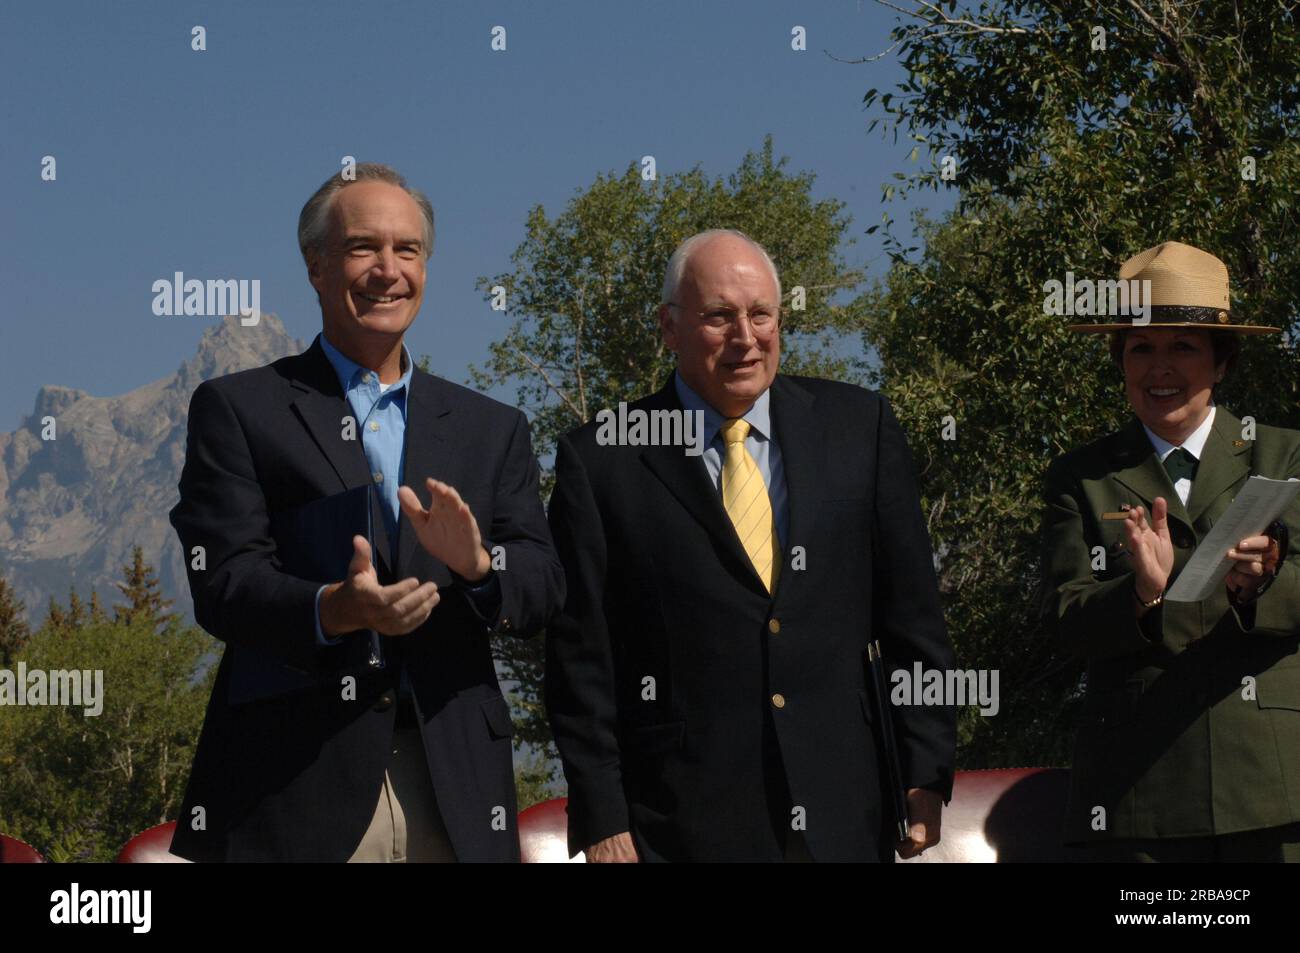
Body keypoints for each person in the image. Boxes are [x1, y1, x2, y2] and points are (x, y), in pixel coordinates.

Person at [168, 163, 563, 861]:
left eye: (407, 250)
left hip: (456, 789)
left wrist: (479, 566)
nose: (388, 269)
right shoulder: (240, 409)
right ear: (316, 266)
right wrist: (334, 607)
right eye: (363, 248)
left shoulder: (491, 427)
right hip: (293, 785)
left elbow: (544, 584)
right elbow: (222, 581)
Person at [545, 229, 956, 862]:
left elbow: (914, 619)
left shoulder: (859, 428)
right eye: (719, 316)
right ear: (668, 326)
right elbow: (581, 659)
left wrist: (924, 771)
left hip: (847, 809)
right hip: (678, 823)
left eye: (761, 313)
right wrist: (602, 815)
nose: (746, 337)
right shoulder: (601, 460)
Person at [1040, 240, 1300, 861]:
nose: (1160, 368)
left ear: (1222, 360)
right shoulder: (1081, 476)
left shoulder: (1286, 455)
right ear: (1120, 360)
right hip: (1136, 795)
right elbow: (1062, 618)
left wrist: (1259, 585)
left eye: (1182, 346)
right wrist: (1139, 596)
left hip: (1274, 787)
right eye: (1141, 348)